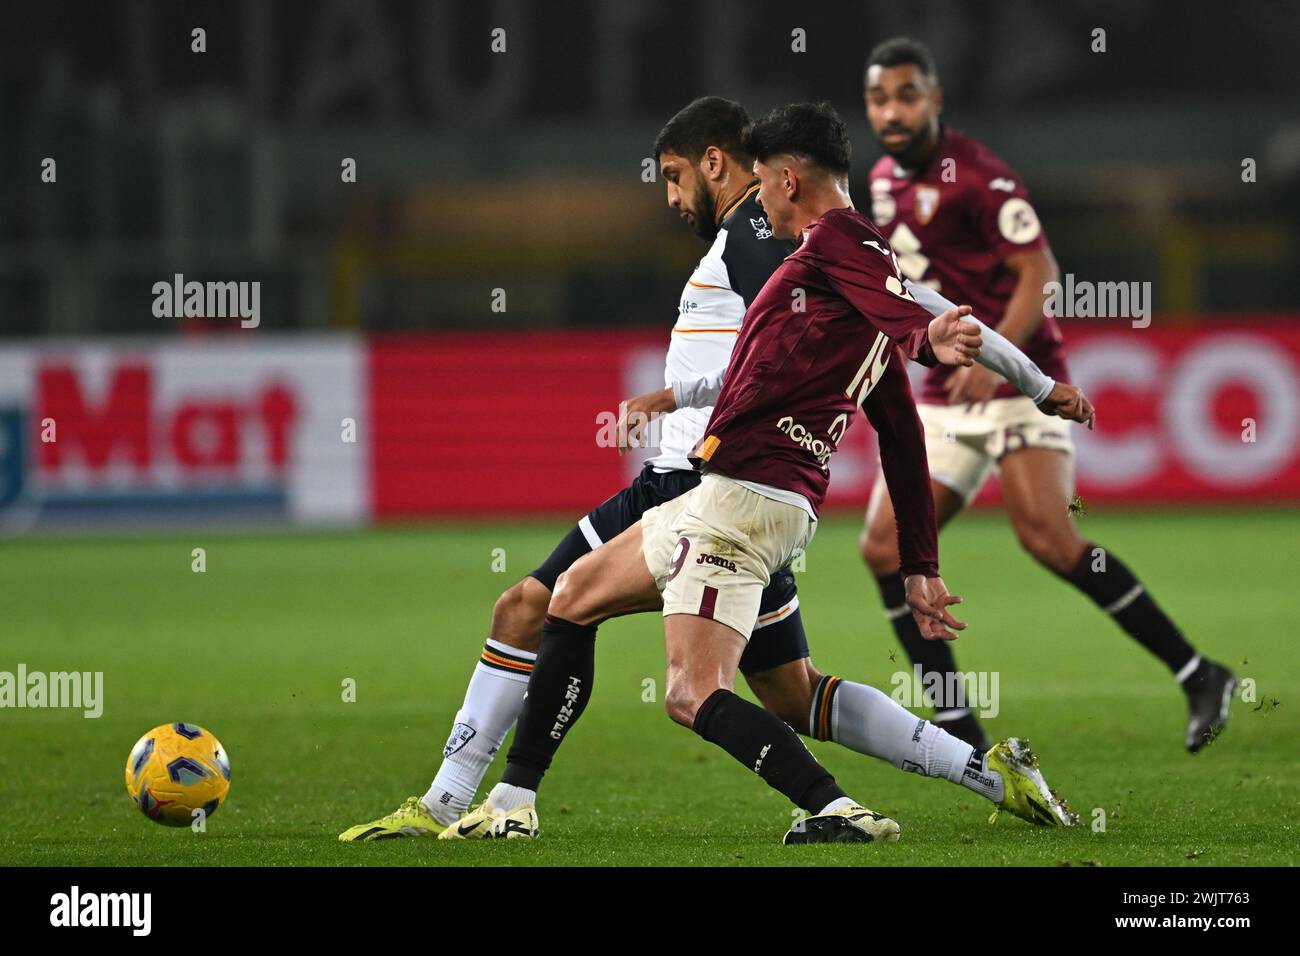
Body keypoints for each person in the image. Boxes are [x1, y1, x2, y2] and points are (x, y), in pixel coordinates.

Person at [449, 102, 1093, 844]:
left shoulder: (835, 245)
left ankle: (835, 810)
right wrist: (919, 560)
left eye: (762, 183)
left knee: (692, 695)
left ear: (788, 180)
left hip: (744, 501)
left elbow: (919, 321)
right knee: (575, 596)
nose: (760, 204)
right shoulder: (848, 284)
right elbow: (894, 426)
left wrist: (931, 339)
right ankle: (511, 805)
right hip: (737, 497)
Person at [856, 38, 1235, 753]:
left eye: (907, 95)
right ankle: (960, 729)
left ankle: (1198, 672)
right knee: (884, 549)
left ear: (935, 99)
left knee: (1050, 539)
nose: (893, 110)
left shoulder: (977, 175)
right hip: (946, 393)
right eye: (879, 98)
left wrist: (1002, 366)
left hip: (1021, 380)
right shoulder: (878, 180)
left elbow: (1040, 271)